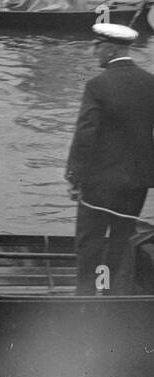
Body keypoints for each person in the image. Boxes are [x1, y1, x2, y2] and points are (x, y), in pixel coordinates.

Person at [65, 23, 154, 296]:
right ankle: (112, 296)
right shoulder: (150, 82)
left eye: (97, 47)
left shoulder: (97, 86)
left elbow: (85, 135)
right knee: (120, 239)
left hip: (100, 184)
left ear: (110, 49)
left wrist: (73, 177)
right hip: (136, 183)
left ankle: (84, 298)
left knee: (89, 241)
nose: (94, 52)